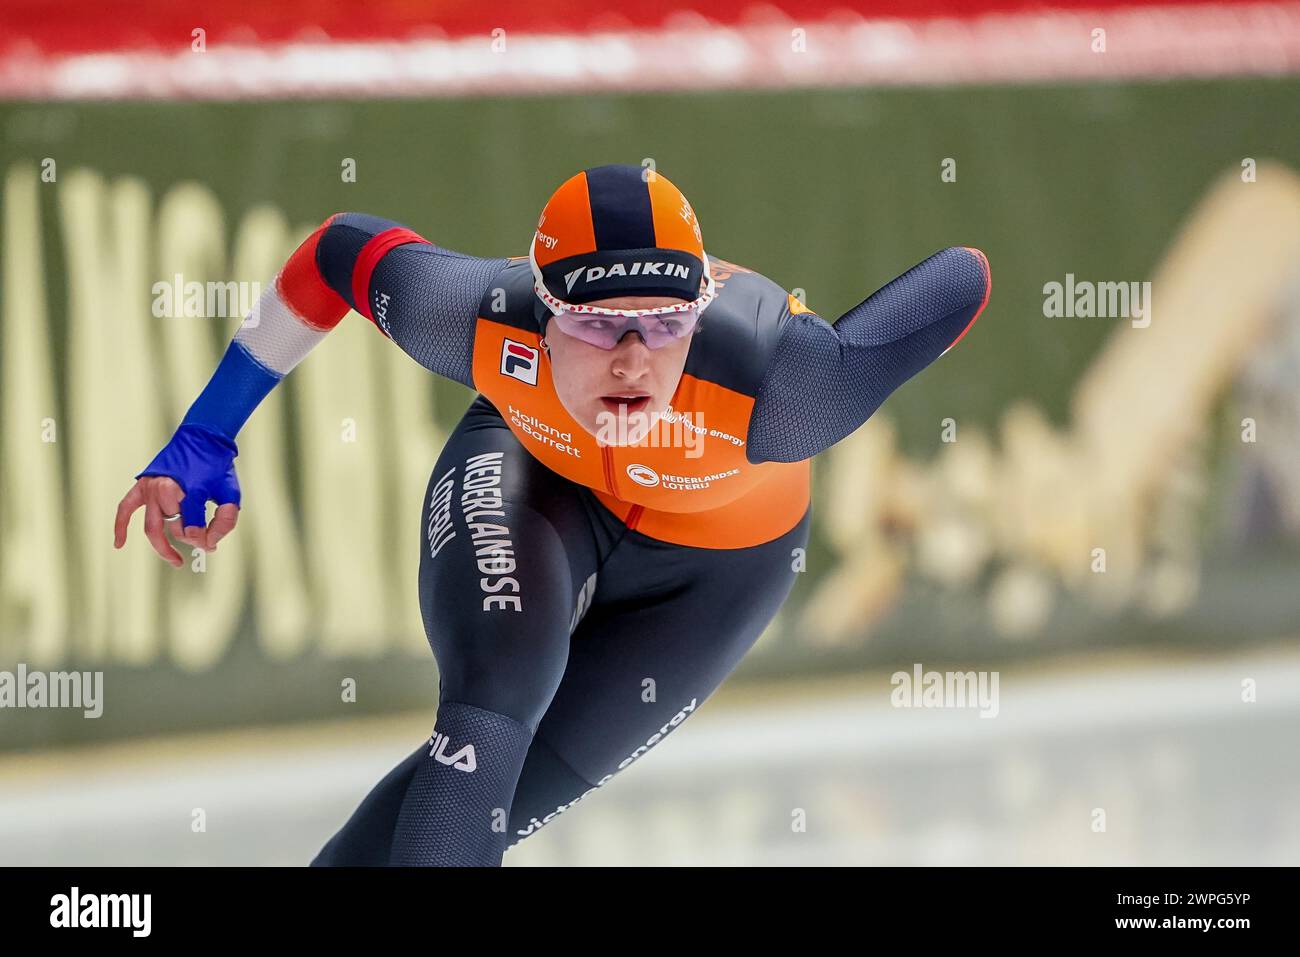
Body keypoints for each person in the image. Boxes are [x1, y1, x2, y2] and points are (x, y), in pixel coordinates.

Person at [113, 163, 991, 866]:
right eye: (600, 326)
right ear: (544, 310)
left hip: (717, 567)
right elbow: (339, 252)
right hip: (536, 472)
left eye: (665, 323)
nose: (635, 362)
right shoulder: (469, 316)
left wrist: (856, 356)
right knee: (492, 703)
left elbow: (965, 277)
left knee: (500, 794)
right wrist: (205, 434)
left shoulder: (788, 386)